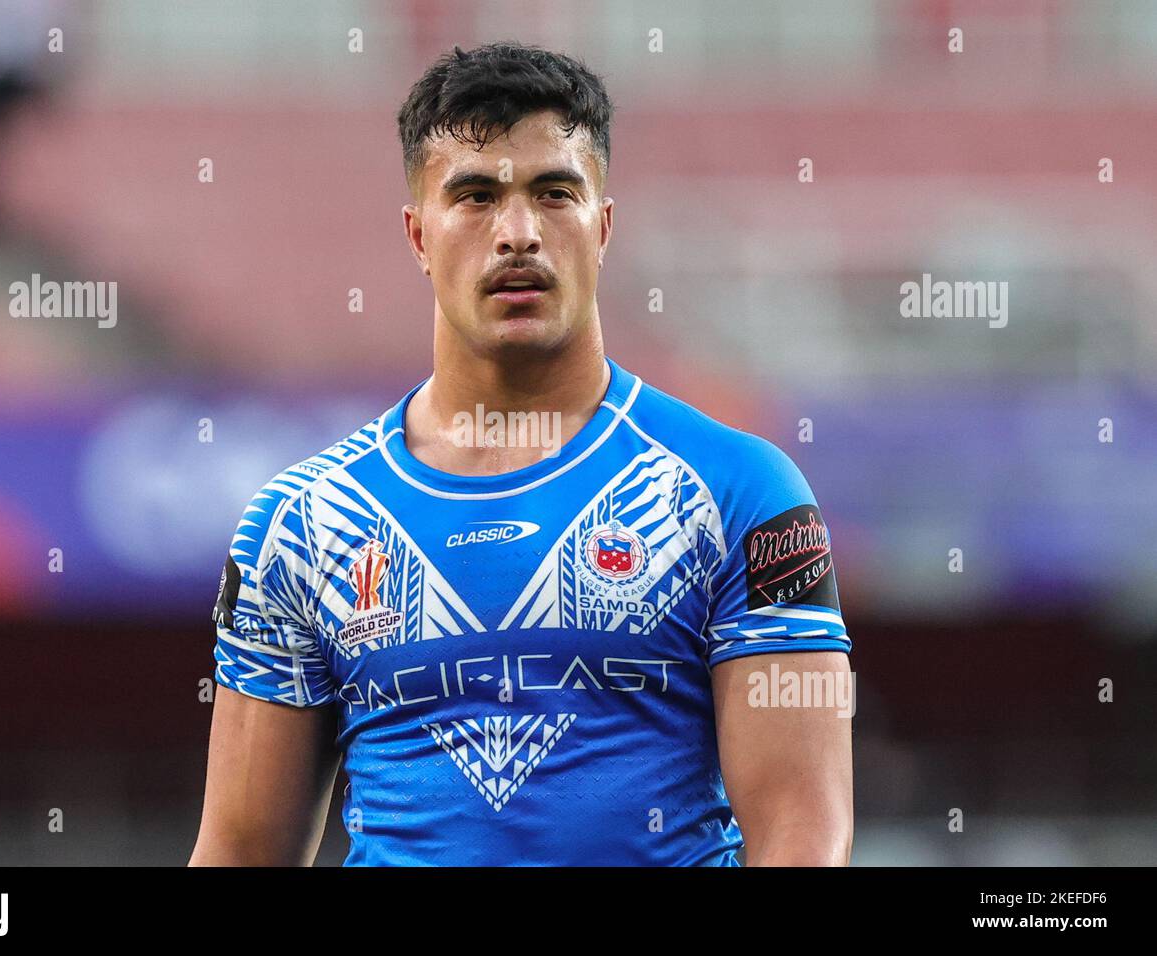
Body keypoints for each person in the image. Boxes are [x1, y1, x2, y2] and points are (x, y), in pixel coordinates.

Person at [190, 41, 852, 866]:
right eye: (474, 195)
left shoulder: (740, 493)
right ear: (417, 235)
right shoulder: (303, 524)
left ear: (603, 226)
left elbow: (802, 834)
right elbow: (242, 849)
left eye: (554, 192)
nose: (517, 234)